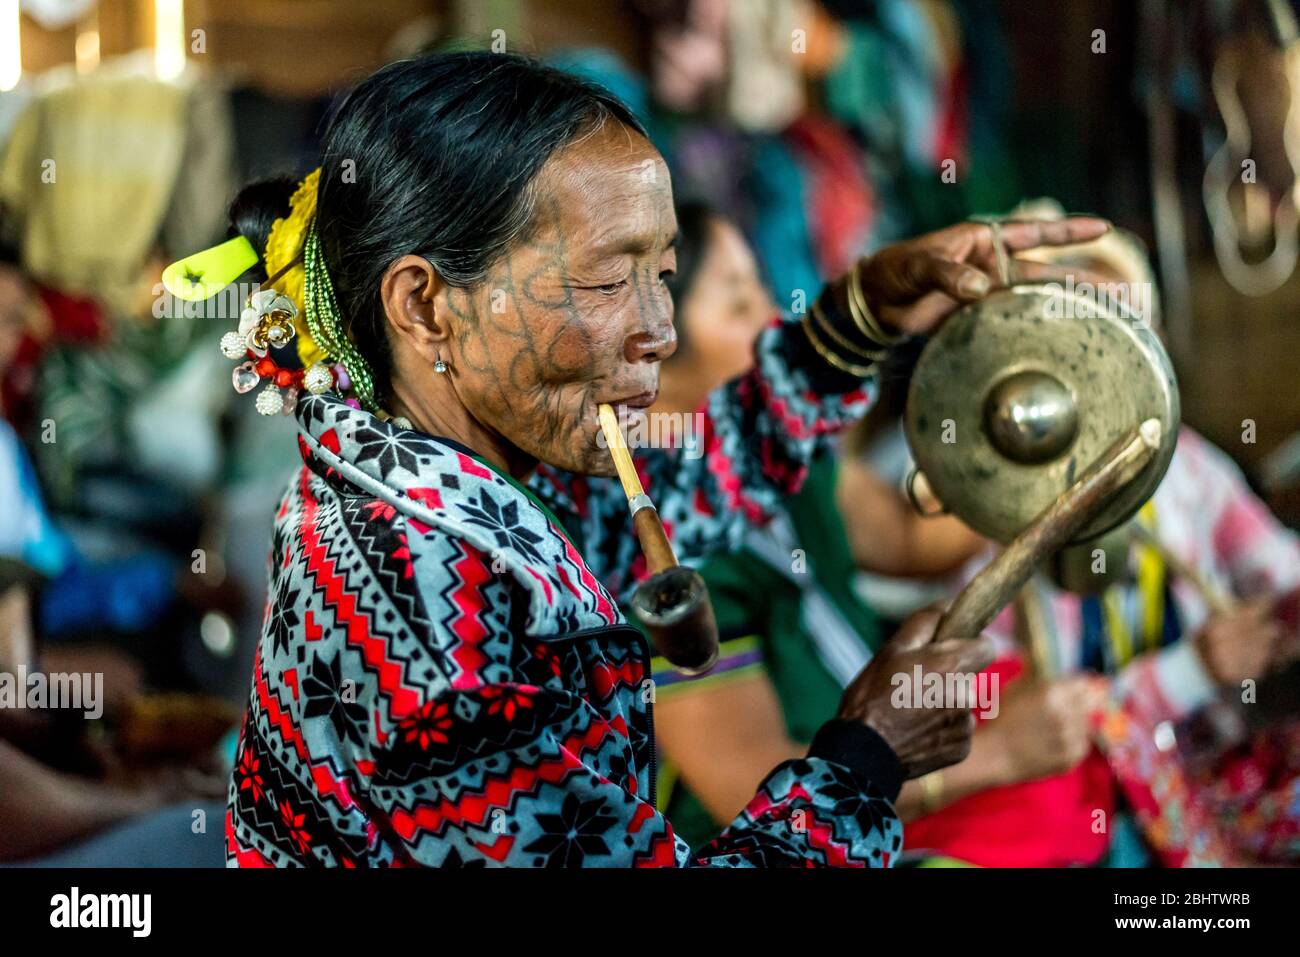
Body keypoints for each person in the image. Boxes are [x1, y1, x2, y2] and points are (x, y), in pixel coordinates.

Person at [210, 52, 1106, 867]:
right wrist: (868, 754)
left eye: (664, 275)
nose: (661, 331)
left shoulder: (485, 478)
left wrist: (865, 309)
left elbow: (720, 465)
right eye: (607, 281)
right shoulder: (417, 613)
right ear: (427, 304)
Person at [902, 206, 1300, 867]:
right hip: (1088, 815)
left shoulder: (1189, 472)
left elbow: (1279, 569)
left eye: (1131, 339)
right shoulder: (990, 518)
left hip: (1208, 769)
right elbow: (1040, 732)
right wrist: (1195, 668)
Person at [645, 201, 985, 847]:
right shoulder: (646, 547)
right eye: (739, 304)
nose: (773, 319)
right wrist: (1001, 755)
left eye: (764, 289)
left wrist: (1028, 435)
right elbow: (739, 783)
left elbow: (917, 540)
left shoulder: (783, 458)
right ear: (648, 345)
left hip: (872, 799)